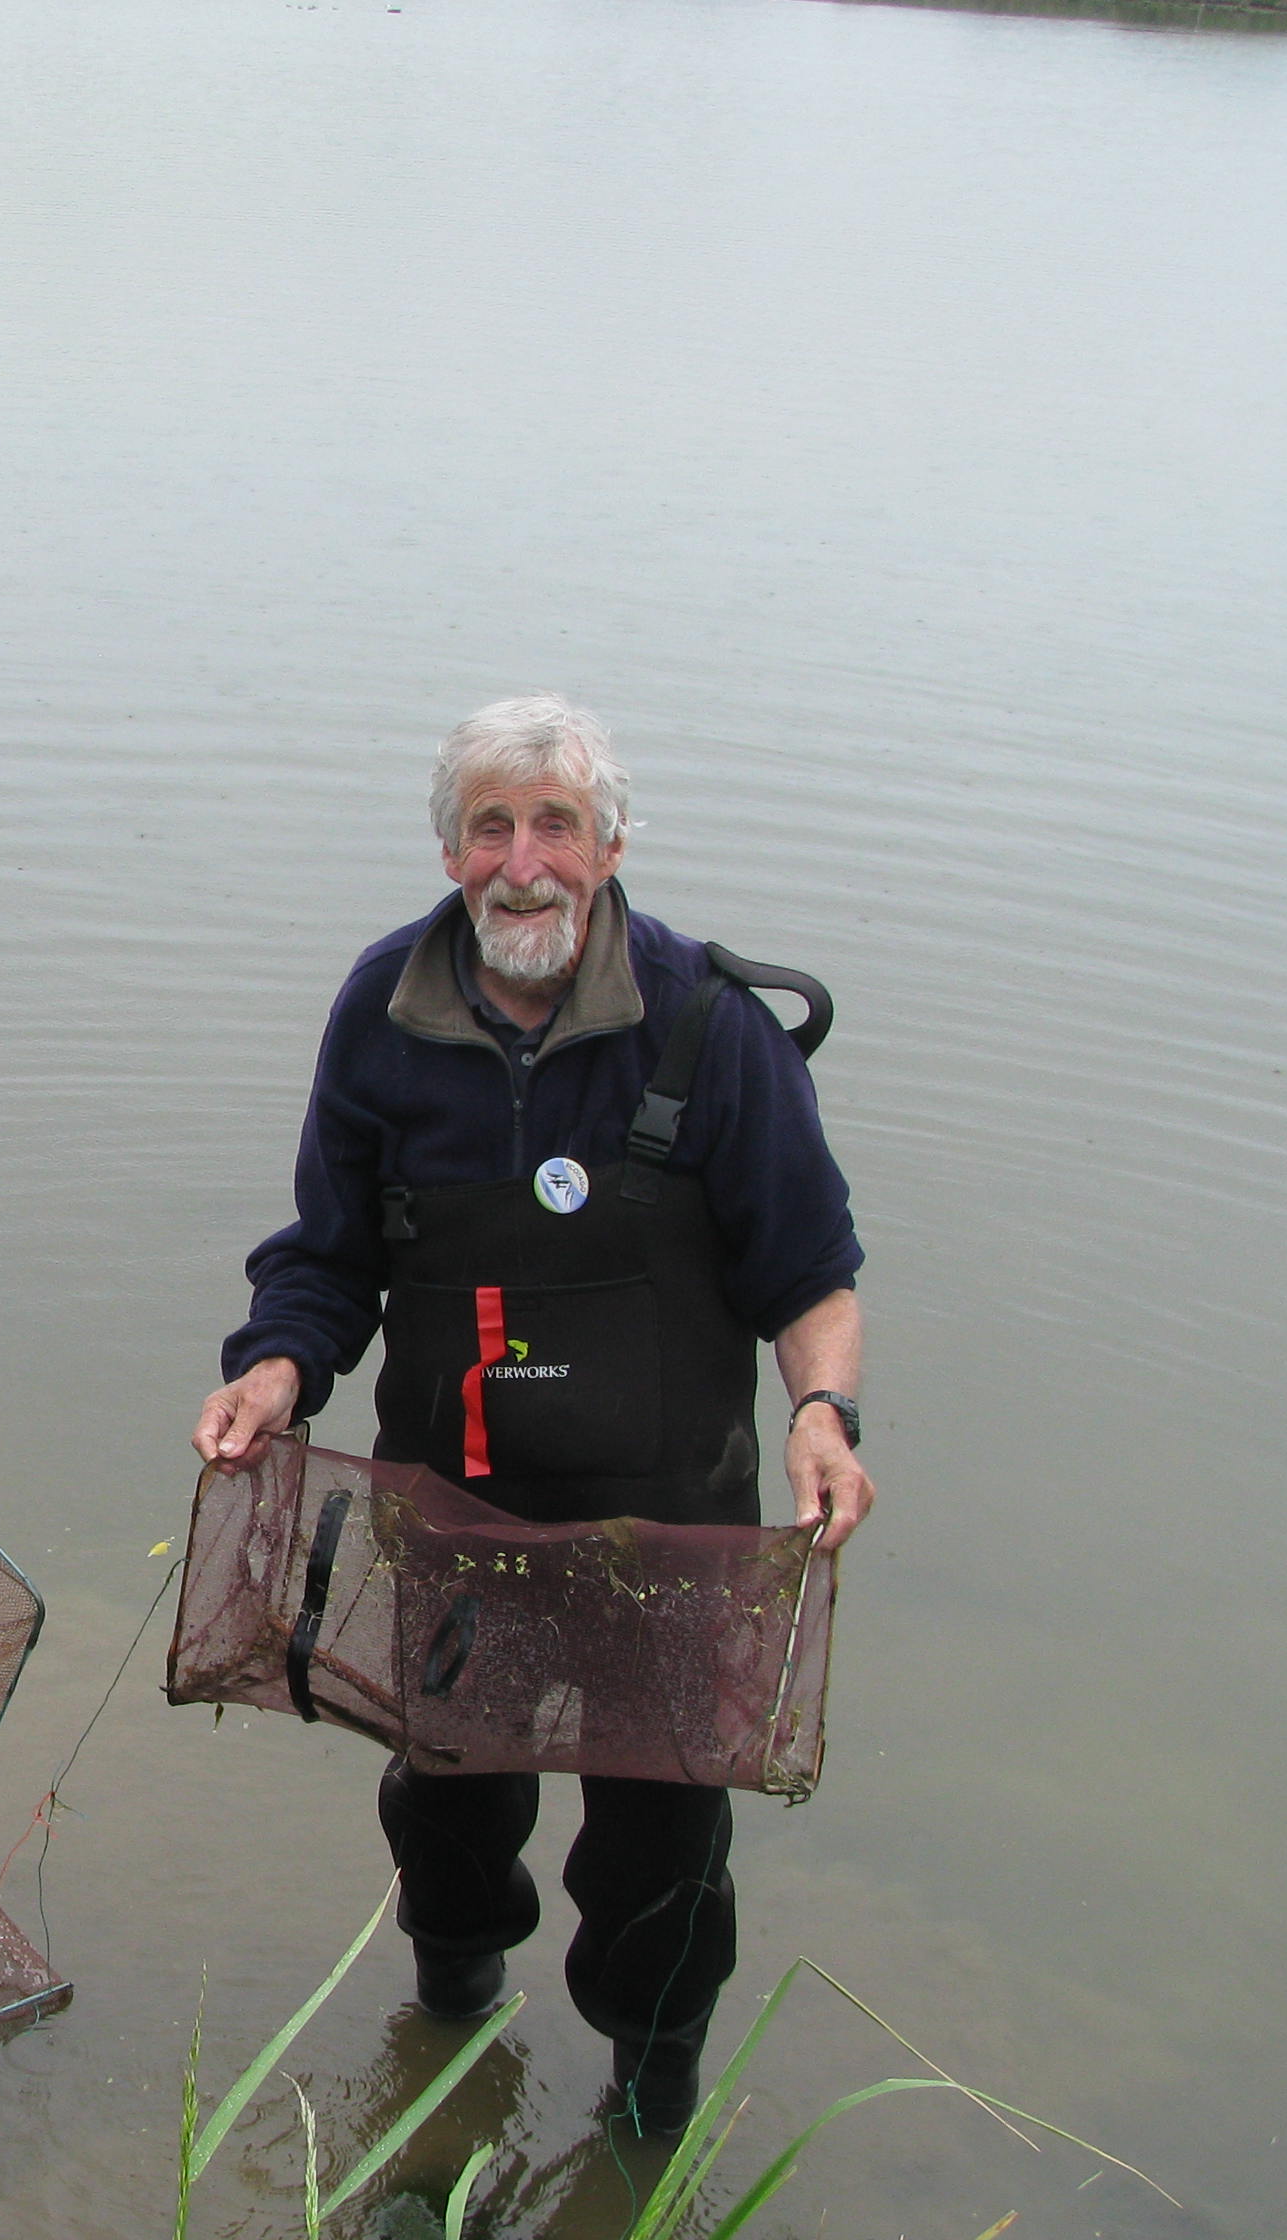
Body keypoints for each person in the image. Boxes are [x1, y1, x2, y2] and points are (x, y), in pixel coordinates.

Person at [191, 693, 872, 2136]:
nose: (524, 862)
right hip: (456, 1522)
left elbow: (812, 1275)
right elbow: (328, 1259)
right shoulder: (382, 1014)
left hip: (671, 1535)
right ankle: (450, 2052)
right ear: (450, 853)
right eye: (490, 827)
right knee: (445, 1816)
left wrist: (824, 1413)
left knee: (663, 1860)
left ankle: (651, 2105)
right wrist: (276, 1369)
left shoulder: (710, 1026)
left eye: (555, 825)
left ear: (611, 845)